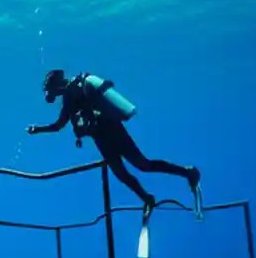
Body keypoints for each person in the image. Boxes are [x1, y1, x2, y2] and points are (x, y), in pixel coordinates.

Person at [27, 69, 201, 216]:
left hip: (114, 132)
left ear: (57, 84)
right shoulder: (68, 101)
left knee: (143, 164)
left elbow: (103, 107)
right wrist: (39, 129)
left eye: (52, 90)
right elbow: (59, 125)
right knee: (121, 174)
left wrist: (93, 117)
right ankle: (147, 198)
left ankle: (188, 172)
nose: (53, 94)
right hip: (100, 139)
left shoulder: (83, 86)